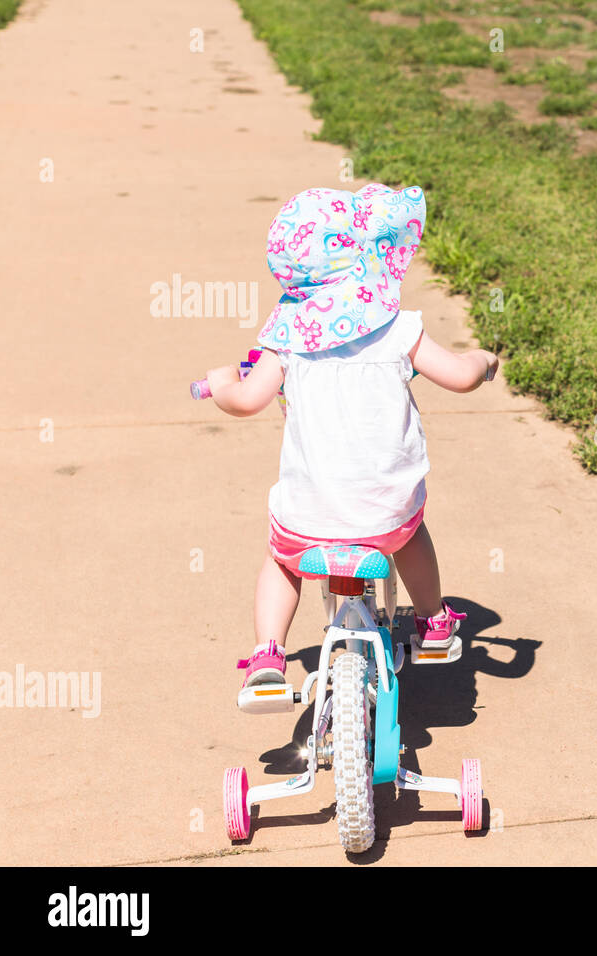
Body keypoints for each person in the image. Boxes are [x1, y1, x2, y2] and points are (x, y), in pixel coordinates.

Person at [204, 184, 498, 705]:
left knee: (280, 559)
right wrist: (481, 359)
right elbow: (459, 376)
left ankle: (268, 653)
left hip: (308, 518)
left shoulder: (288, 337)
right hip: (386, 515)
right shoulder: (397, 330)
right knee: (411, 532)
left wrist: (224, 382)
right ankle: (431, 620)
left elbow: (247, 400)